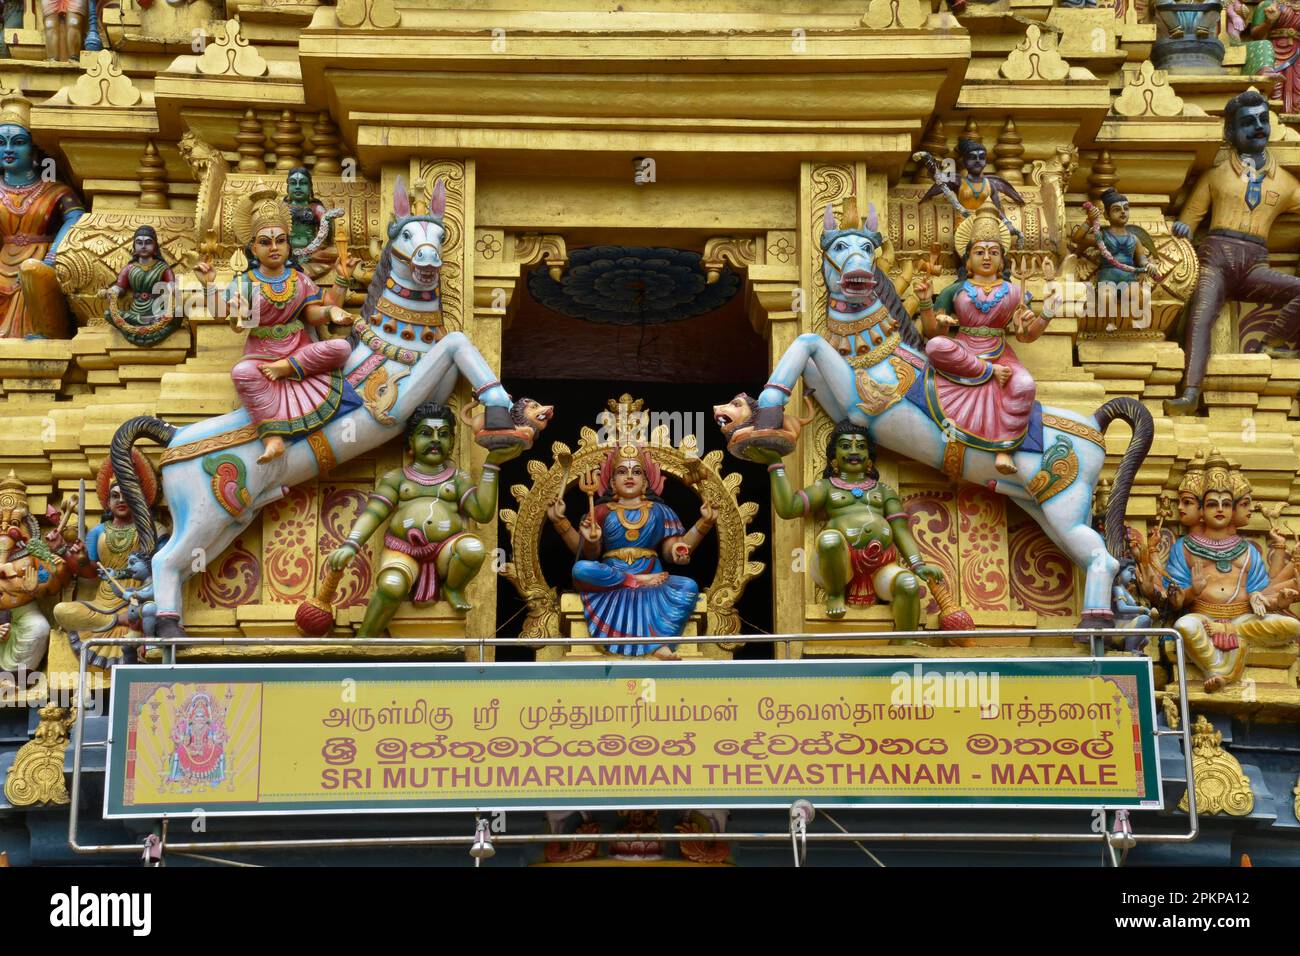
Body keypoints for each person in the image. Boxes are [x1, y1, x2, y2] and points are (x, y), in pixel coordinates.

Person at [327, 402, 520, 634]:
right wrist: (351, 545)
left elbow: (482, 512)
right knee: (391, 586)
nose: (436, 440)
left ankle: (453, 587)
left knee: (473, 548)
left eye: (444, 434)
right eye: (426, 434)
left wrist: (492, 465)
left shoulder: (458, 479)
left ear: (451, 444)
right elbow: (374, 513)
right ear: (410, 442)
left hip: (445, 552)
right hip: (403, 549)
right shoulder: (397, 478)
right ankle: (365, 638)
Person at [197, 188, 358, 463]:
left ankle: (285, 368)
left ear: (288, 246)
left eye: (280, 241)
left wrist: (335, 302)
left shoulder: (299, 279)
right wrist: (210, 286)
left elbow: (313, 315)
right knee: (242, 373)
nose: (274, 247)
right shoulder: (245, 282)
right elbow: (229, 320)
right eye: (265, 242)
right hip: (261, 353)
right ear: (254, 248)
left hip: (299, 350)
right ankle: (272, 438)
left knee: (341, 347)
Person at [1168, 89, 1300, 413]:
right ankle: (1190, 391)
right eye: (1247, 122)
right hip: (1216, 259)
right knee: (1200, 317)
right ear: (1230, 132)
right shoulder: (1216, 177)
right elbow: (1188, 220)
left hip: (1255, 263)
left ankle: (1272, 343)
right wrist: (1185, 229)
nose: (1258, 127)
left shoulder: (1285, 183)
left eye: (1262, 120)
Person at [752, 423, 942, 623]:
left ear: (870, 458)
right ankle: (835, 596)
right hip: (840, 564)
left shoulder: (884, 491)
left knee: (909, 584)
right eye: (845, 446)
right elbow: (789, 508)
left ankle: (905, 642)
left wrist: (917, 564)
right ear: (834, 457)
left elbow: (901, 530)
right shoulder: (826, 488)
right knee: (830, 540)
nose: (854, 451)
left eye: (861, 447)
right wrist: (775, 465)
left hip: (881, 564)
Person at [912, 203, 1046, 475]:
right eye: (980, 252)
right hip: (964, 348)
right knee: (937, 347)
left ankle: (1005, 447)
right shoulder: (956, 290)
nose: (987, 258)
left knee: (1025, 384)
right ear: (968, 260)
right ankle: (987, 372)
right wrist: (926, 304)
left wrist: (1048, 314)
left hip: (999, 350)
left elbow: (1025, 335)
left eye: (993, 252)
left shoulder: (1013, 291)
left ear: (1002, 259)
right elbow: (933, 334)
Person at [546, 444, 715, 659]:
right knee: (580, 569)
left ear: (645, 482)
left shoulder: (661, 511)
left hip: (655, 577)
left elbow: (673, 550)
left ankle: (662, 643)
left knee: (688, 586)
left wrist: (704, 523)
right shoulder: (599, 510)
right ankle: (634, 580)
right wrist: (561, 522)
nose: (629, 476)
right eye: (621, 471)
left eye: (636, 472)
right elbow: (589, 554)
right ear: (612, 483)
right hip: (613, 579)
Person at [1152, 451, 1299, 691]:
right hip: (1204, 616)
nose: (1219, 509)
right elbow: (1175, 601)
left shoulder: (1248, 550)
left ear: (1232, 510)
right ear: (1201, 510)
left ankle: (1223, 655)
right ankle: (1216, 669)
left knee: (1292, 627)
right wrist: (1192, 590)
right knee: (1184, 627)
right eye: (1212, 504)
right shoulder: (1184, 548)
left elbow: (1260, 594)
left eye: (1226, 504)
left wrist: (1273, 600)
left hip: (1242, 618)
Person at [0, 94, 84, 339]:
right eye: (1, 143)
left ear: (34, 149)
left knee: (33, 275)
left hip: (42, 261)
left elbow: (76, 217)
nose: (8, 149)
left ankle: (42, 333)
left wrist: (52, 255)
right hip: (3, 261)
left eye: (17, 142)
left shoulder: (55, 190)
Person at [102, 225, 180, 346]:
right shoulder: (129, 268)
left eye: (148, 242)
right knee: (109, 314)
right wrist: (114, 290)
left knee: (178, 313)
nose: (143, 246)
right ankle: (145, 321)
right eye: (139, 242)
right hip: (136, 310)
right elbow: (120, 287)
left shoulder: (163, 268)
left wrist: (172, 287)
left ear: (155, 247)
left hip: (158, 309)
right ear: (134, 246)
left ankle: (152, 321)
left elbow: (171, 284)